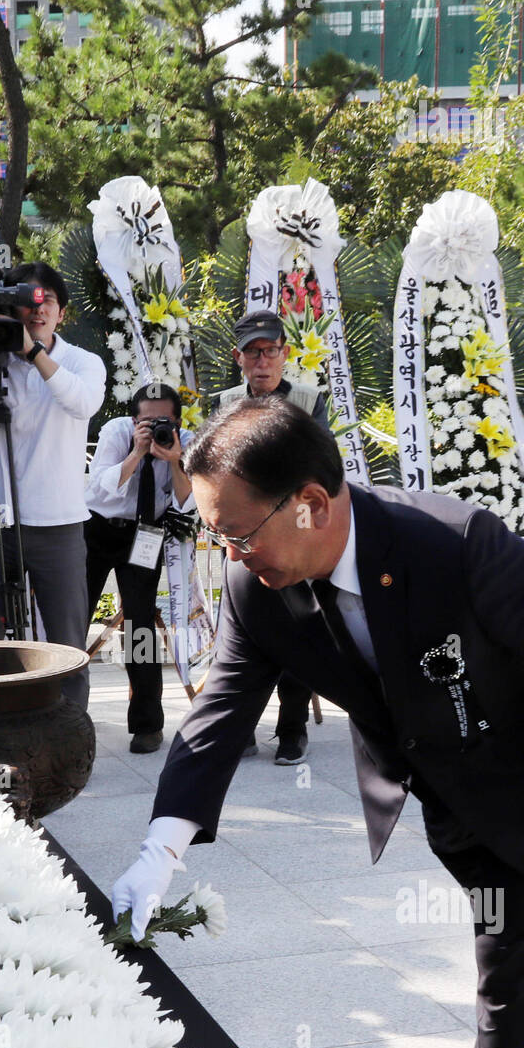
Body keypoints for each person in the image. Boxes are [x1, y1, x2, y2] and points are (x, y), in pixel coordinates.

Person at [113, 395, 524, 1048]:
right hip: (444, 779)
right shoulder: (258, 584)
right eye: (217, 535)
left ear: (310, 503)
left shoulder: (453, 544)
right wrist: (162, 844)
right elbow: (222, 709)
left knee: (509, 958)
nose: (231, 553)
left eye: (238, 532)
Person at [0, 260, 105, 711]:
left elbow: (82, 403)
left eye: (45, 301)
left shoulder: (82, 363)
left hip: (60, 524)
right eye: (27, 301)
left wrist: (34, 355)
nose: (36, 309)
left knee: (66, 642)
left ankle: (70, 737)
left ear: (61, 312)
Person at [218, 310, 330, 765]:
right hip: (244, 531)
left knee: (300, 626)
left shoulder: (307, 399)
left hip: (297, 529)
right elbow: (217, 466)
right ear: (238, 358)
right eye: (252, 352)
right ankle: (242, 726)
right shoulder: (226, 403)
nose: (262, 361)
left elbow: (319, 463)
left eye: (270, 351)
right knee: (242, 630)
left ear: (285, 354)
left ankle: (292, 729)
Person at [85, 383, 195, 753]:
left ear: (177, 420)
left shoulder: (185, 439)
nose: (154, 427)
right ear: (134, 419)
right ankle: (64, 714)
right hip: (98, 528)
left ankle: (147, 724)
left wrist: (175, 459)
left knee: (141, 625)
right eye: (146, 420)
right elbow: (100, 489)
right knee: (73, 618)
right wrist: (137, 451)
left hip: (145, 534)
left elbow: (188, 501)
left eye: (163, 420)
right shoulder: (116, 432)